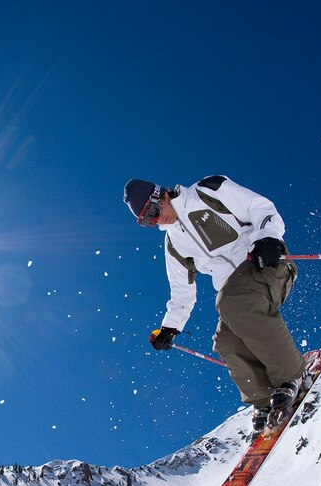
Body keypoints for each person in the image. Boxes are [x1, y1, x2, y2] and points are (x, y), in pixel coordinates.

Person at [123, 175, 307, 432]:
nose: (156, 220)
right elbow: (181, 291)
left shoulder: (207, 191)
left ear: (161, 194)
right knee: (225, 341)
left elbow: (260, 207)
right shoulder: (174, 243)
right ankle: (265, 400)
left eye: (153, 211)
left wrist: (268, 238)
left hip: (267, 263)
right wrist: (169, 328)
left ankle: (291, 375)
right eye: (147, 221)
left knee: (230, 303)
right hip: (237, 295)